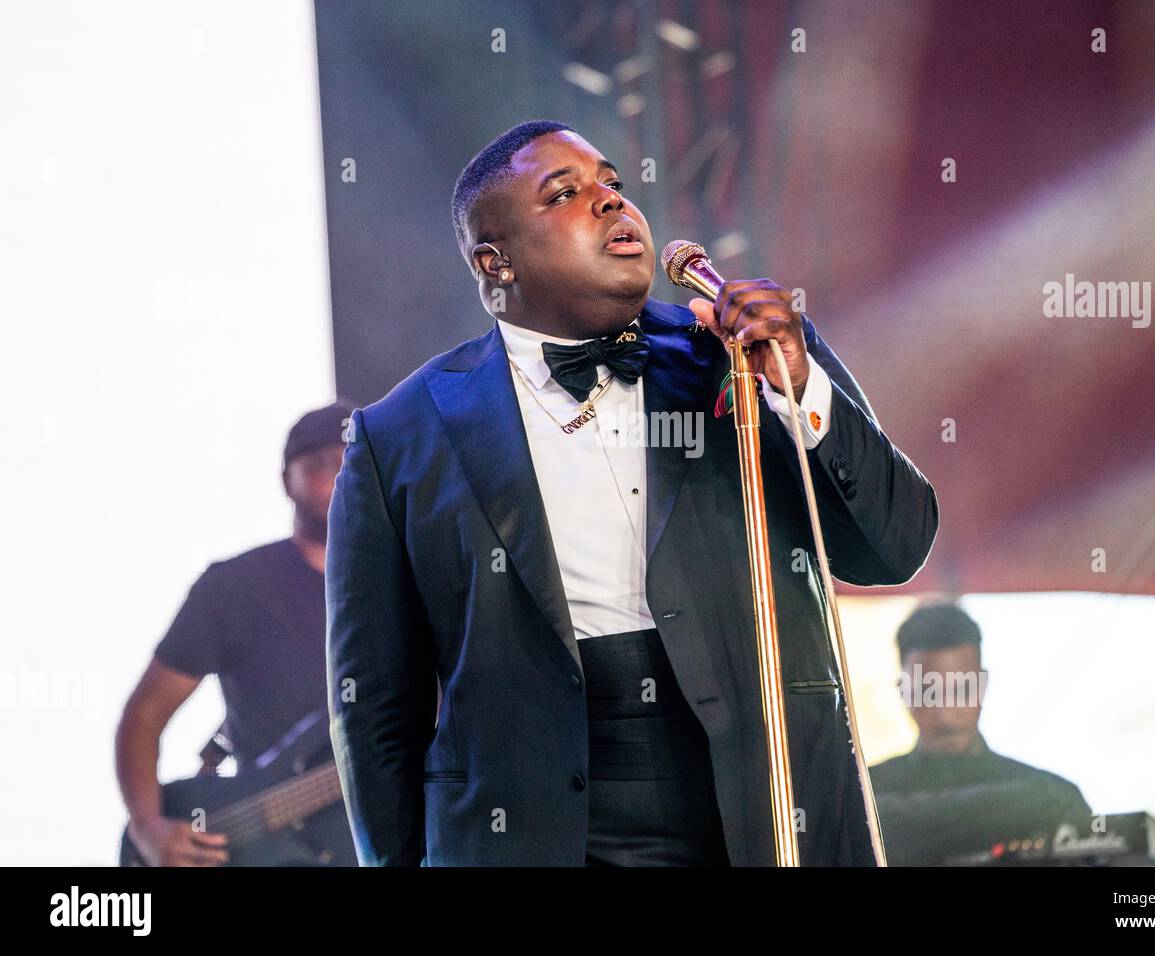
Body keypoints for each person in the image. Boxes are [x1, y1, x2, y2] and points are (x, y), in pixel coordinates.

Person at [326, 120, 939, 867]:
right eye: (567, 193)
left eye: (613, 183)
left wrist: (801, 388)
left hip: (763, 798)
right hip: (532, 826)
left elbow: (895, 547)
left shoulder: (739, 356)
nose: (612, 202)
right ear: (497, 261)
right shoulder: (400, 435)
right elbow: (376, 711)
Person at [115, 403, 357, 866]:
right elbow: (144, 715)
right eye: (320, 463)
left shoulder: (413, 583)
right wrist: (148, 828)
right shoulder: (234, 586)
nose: (339, 475)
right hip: (268, 845)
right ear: (287, 479)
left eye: (352, 460)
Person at [870, 602, 1093, 865]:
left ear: (982, 685)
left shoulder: (1057, 798)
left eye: (960, 689)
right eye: (927, 691)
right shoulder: (865, 797)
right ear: (902, 690)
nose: (945, 709)